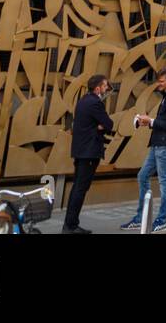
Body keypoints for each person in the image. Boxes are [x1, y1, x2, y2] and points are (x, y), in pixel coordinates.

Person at [121, 67, 166, 233]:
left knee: (165, 181)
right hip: (158, 144)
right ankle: (141, 217)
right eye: (158, 81)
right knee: (142, 176)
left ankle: (162, 220)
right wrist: (148, 122)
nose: (159, 84)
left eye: (162, 81)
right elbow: (164, 122)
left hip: (164, 146)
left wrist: (152, 121)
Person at [63, 74, 114, 234]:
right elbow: (109, 124)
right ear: (98, 88)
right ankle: (70, 226)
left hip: (80, 151)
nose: (107, 89)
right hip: (89, 152)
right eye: (105, 86)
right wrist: (99, 127)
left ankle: (70, 224)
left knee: (77, 187)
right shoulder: (95, 103)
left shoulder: (83, 101)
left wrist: (98, 126)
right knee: (81, 188)